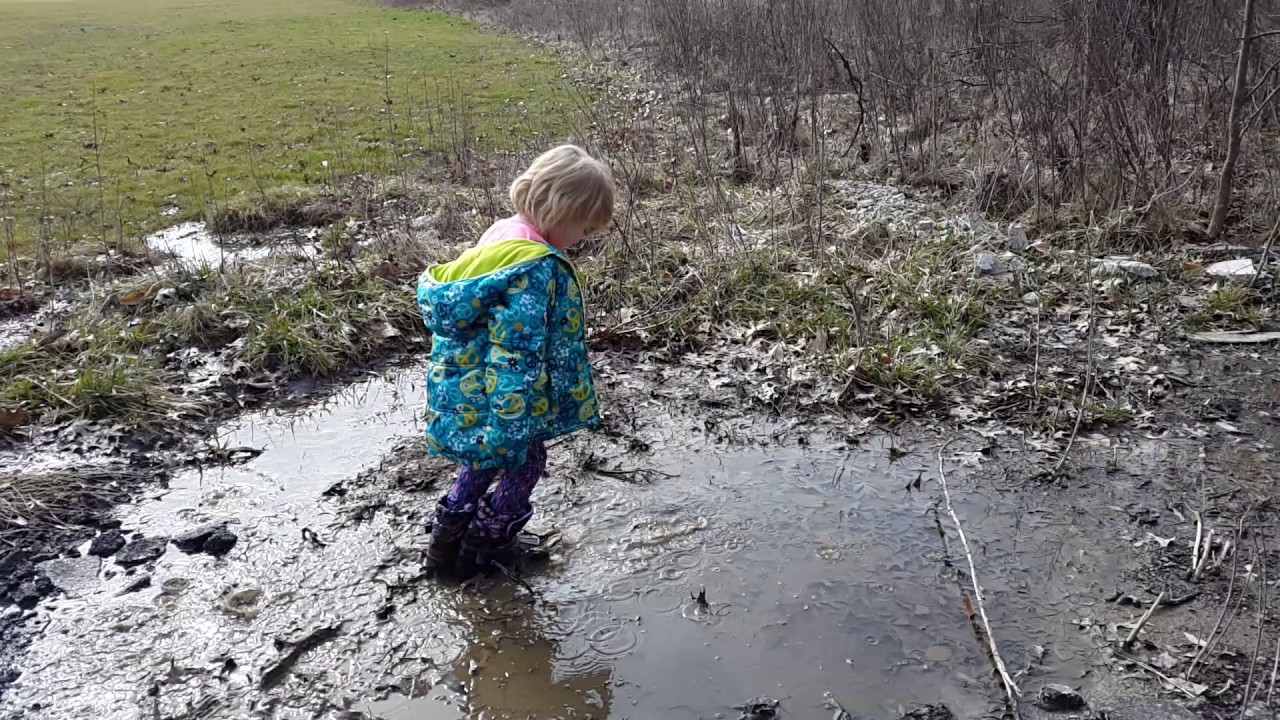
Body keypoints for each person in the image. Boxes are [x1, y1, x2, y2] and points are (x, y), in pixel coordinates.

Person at [416, 144, 615, 578]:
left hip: (470, 384)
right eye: (582, 230)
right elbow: (516, 350)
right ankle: (488, 546)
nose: (580, 241)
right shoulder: (531, 268)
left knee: (482, 460)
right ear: (561, 212)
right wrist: (514, 412)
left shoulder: (500, 236)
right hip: (505, 394)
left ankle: (446, 544)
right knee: (527, 463)